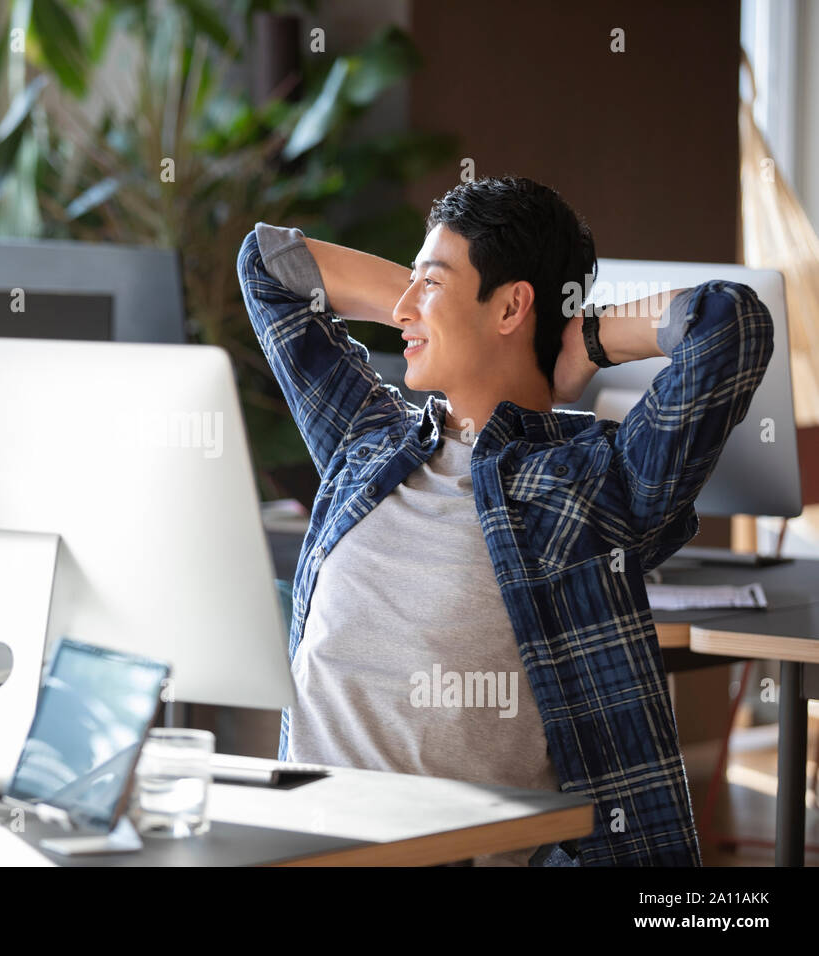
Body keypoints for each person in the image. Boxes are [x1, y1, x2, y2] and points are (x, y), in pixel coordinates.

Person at [236, 175, 775, 866]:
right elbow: (270, 267)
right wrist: (426, 302)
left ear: (511, 307)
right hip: (305, 846)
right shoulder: (367, 440)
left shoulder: (591, 482)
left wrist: (586, 341)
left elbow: (730, 323)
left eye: (430, 283)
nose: (401, 309)